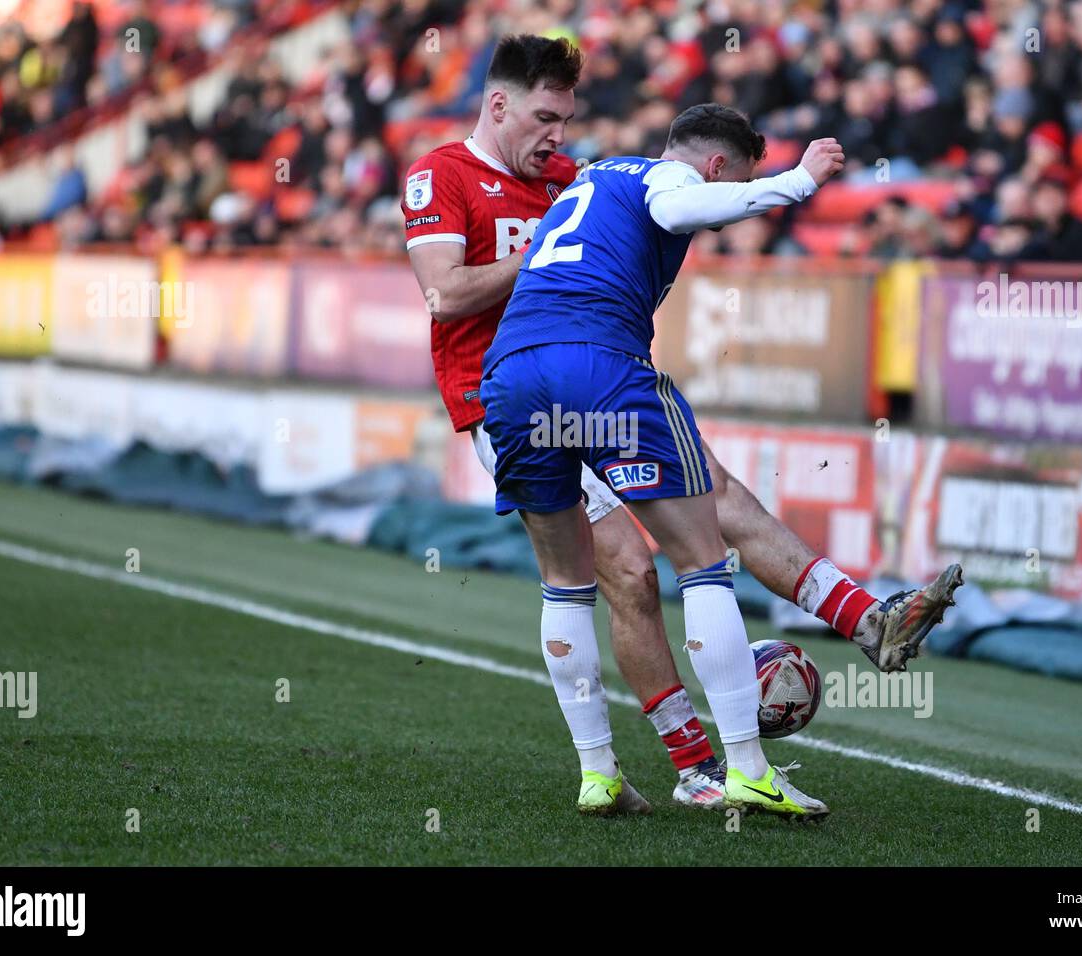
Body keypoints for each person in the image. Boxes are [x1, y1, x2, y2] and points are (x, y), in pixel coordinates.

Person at [403, 36, 963, 816]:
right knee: (639, 566)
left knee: (716, 496)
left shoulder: (576, 178)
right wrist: (794, 182)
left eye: (566, 118)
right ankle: (705, 765)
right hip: (508, 387)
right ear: (497, 106)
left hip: (525, 379)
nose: (558, 135)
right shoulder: (442, 174)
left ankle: (867, 619)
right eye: (544, 117)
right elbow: (446, 296)